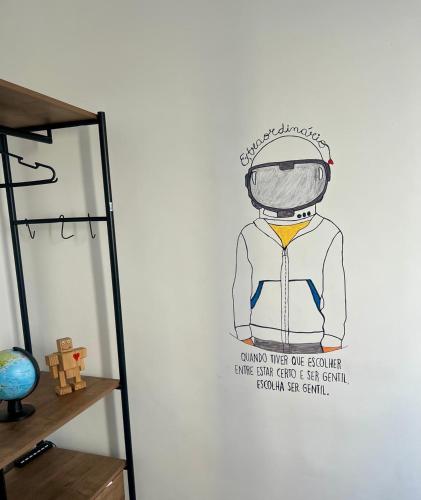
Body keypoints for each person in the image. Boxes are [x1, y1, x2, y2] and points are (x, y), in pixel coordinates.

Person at [232, 135, 346, 354]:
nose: (286, 188)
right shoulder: (250, 233)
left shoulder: (328, 232)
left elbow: (335, 290)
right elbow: (241, 287)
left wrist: (333, 337)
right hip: (261, 335)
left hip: (312, 337)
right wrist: (243, 331)